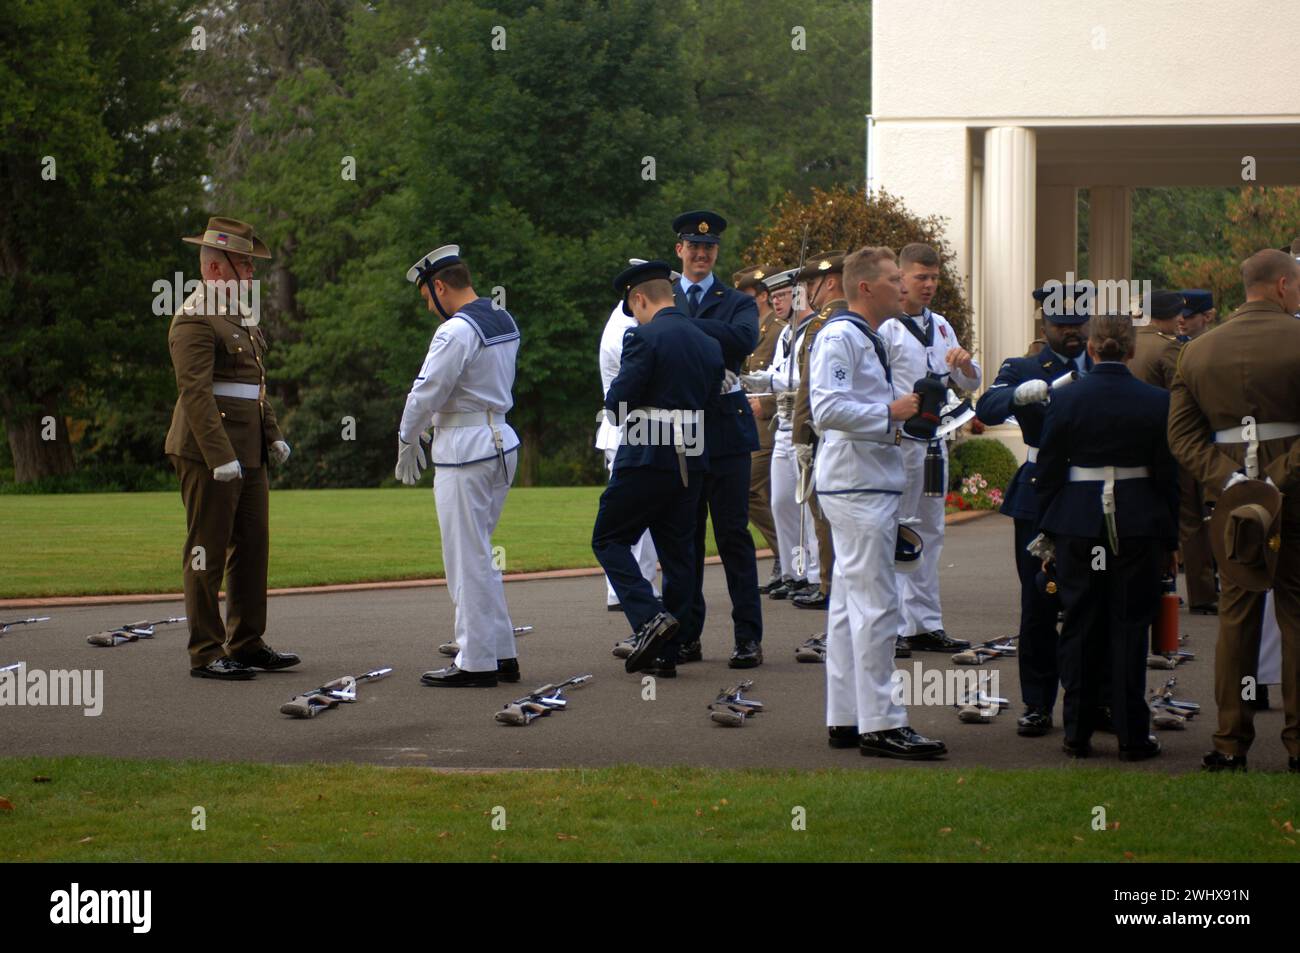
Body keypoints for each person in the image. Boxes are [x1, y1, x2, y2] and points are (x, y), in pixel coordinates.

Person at [808, 245, 945, 759]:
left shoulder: (863, 336)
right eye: (893, 279)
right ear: (865, 287)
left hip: (864, 480)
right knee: (877, 606)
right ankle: (883, 723)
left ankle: (846, 716)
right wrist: (892, 411)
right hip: (858, 483)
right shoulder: (842, 336)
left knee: (848, 606)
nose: (903, 286)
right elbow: (827, 409)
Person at [1168, 248, 1300, 772]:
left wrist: (1233, 481)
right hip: (1293, 494)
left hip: (1230, 503)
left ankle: (1229, 742)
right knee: (1296, 615)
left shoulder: (1198, 350)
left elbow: (1181, 436)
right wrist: (1274, 478)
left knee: (1236, 618)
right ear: (1284, 286)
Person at [1035, 312, 1177, 761]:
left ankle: (1076, 731)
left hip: (1080, 522)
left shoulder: (1066, 399)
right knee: (1129, 625)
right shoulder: (1157, 401)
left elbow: (1049, 470)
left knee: (1079, 623)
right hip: (1136, 523)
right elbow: (1168, 477)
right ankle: (1133, 735)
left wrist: (1048, 531)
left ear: (1092, 349)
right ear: (1132, 350)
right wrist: (1170, 539)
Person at [166, 216, 299, 680]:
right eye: (244, 265)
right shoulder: (194, 318)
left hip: (249, 450)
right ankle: (206, 649)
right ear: (216, 269)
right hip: (208, 452)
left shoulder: (241, 316)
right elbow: (196, 394)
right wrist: (220, 456)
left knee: (252, 546)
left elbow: (254, 386)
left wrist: (273, 434)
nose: (251, 274)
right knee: (207, 549)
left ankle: (246, 642)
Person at [396, 245, 522, 688]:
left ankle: (475, 661)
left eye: (428, 296)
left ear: (442, 286)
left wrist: (406, 436)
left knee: (465, 559)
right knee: (481, 555)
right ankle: (501, 652)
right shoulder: (503, 319)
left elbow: (427, 390)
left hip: (465, 450)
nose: (429, 305)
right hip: (500, 442)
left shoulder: (455, 331)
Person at [593, 261, 725, 676]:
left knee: (609, 538)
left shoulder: (642, 337)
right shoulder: (707, 342)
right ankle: (668, 651)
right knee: (680, 554)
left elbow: (617, 402)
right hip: (694, 451)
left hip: (646, 450)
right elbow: (710, 398)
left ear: (639, 299)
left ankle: (650, 619)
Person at [975, 284, 1093, 737]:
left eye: (1079, 323)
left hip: (1090, 488)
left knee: (1092, 601)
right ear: (1044, 325)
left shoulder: (1103, 363)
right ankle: (1038, 703)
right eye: (1062, 324)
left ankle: (1091, 702)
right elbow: (986, 404)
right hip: (1042, 490)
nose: (1072, 332)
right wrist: (1017, 396)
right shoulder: (1024, 365)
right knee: (1040, 600)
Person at [671, 211, 764, 669]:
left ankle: (748, 638)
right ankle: (687, 636)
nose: (702, 254)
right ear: (680, 251)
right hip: (682, 434)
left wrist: (681, 327)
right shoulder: (664, 295)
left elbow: (743, 341)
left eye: (709, 248)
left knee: (733, 538)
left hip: (726, 433)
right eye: (694, 247)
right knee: (685, 541)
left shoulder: (736, 300)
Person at [879, 242, 979, 653]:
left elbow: (969, 383)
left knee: (932, 531)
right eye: (922, 277)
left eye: (935, 278)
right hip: (899, 441)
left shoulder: (940, 325)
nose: (930, 285)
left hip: (935, 442)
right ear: (901, 277)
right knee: (898, 530)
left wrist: (965, 364)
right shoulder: (884, 327)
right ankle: (896, 625)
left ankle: (926, 622)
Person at [596, 260, 663, 614]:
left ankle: (635, 588)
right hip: (629, 430)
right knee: (631, 520)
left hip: (630, 429)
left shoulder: (626, 321)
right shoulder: (630, 328)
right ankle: (629, 591)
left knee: (638, 519)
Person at [789, 251, 848, 612]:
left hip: (820, 432)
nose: (807, 291)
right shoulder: (849, 318)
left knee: (823, 514)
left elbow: (808, 388)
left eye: (810, 284)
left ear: (827, 283)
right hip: (836, 431)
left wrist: (799, 437)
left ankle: (829, 585)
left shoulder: (823, 323)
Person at [761, 268, 822, 603]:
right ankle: (793, 571)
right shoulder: (786, 334)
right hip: (783, 428)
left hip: (804, 429)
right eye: (773, 298)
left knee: (806, 507)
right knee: (781, 501)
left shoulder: (814, 330)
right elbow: (775, 373)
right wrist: (752, 381)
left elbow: (801, 380)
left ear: (800, 293)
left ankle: (814, 575)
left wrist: (769, 383)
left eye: (783, 296)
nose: (777, 303)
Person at [736, 264, 783, 591]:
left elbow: (789, 375)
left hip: (772, 423)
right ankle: (790, 562)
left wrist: (764, 405)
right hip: (752, 424)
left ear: (762, 296)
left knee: (748, 489)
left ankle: (787, 557)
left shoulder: (778, 329)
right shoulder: (752, 329)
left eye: (747, 297)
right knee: (763, 494)